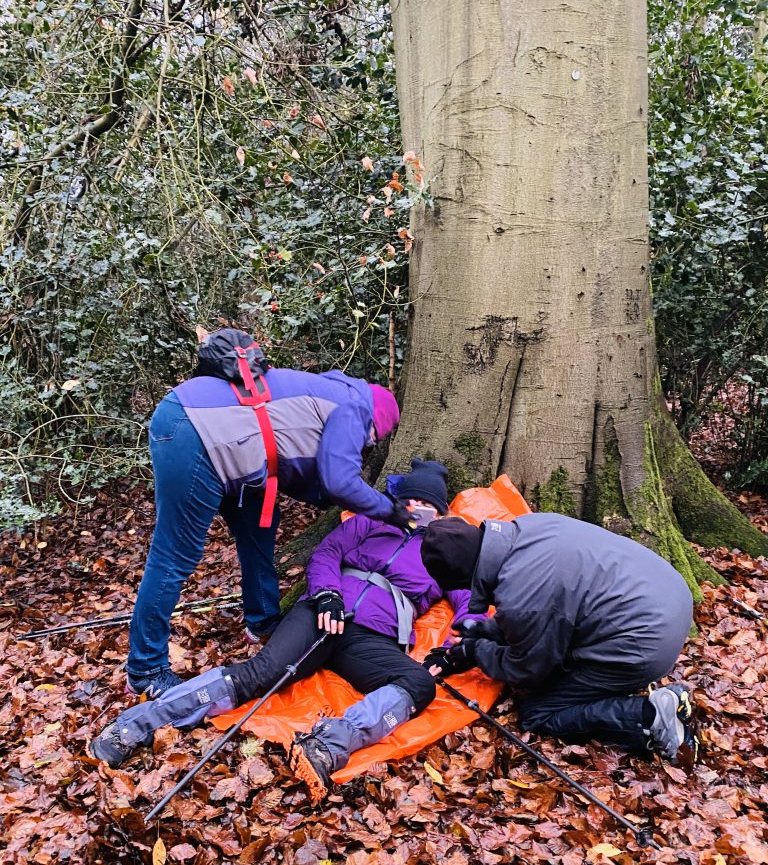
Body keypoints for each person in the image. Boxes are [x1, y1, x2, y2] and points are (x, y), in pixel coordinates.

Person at [92, 460, 481, 800]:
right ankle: (136, 725)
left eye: (427, 504)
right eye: (411, 501)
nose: (417, 509)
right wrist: (327, 594)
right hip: (323, 612)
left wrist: (449, 650)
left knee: (418, 684)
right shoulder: (370, 520)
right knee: (262, 673)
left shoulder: (442, 544)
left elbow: (469, 601)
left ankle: (327, 746)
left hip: (373, 636)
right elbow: (327, 553)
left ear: (440, 511)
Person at [126, 328, 406, 699]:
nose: (369, 443)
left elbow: (305, 467)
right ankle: (145, 669)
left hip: (236, 450)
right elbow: (340, 481)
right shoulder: (355, 409)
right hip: (193, 431)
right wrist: (393, 512)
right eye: (374, 437)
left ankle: (262, 621)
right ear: (379, 420)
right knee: (175, 555)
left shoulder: (331, 391)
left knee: (259, 531)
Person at [420, 514, 699, 765]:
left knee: (538, 714)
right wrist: (487, 631)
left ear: (465, 577)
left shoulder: (523, 596)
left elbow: (528, 669)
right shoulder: (528, 526)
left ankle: (648, 715)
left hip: (645, 642)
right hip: (668, 596)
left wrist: (476, 651)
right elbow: (544, 610)